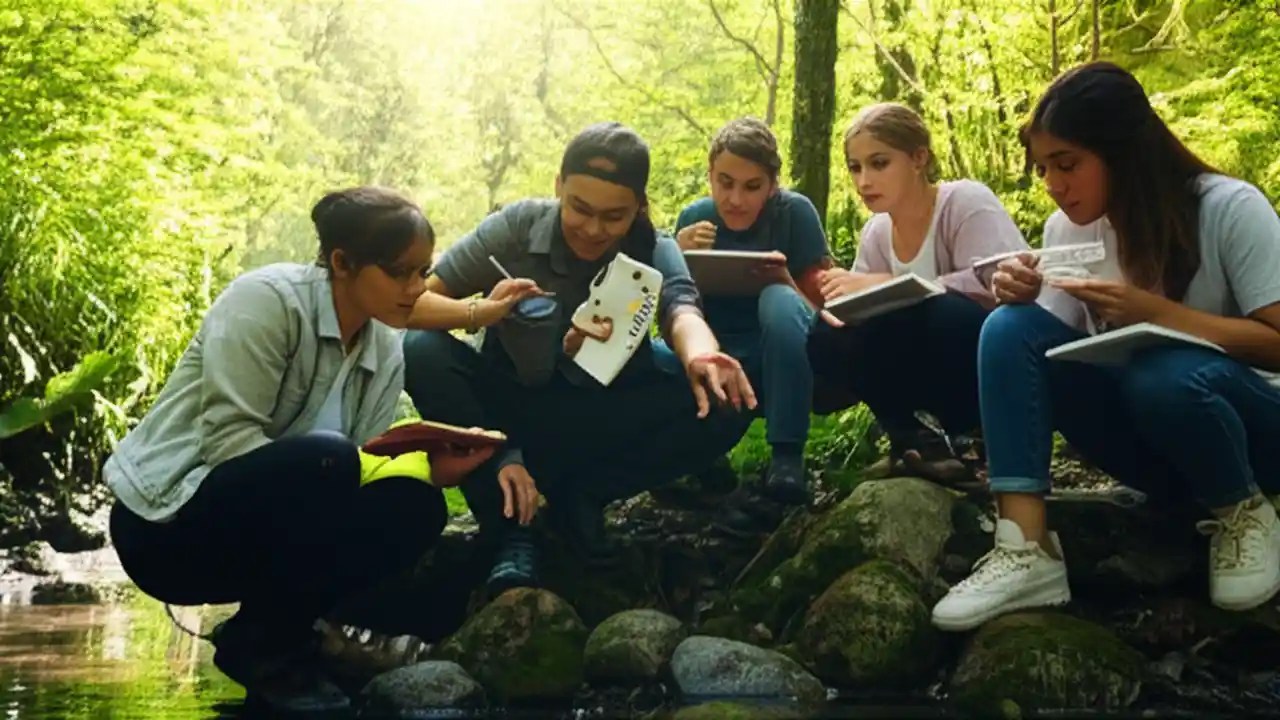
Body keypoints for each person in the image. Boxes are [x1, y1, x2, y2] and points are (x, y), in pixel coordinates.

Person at [104, 187, 527, 712]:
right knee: (327, 458)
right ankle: (279, 642)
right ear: (341, 262)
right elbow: (233, 445)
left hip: (264, 536)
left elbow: (362, 469)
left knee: (416, 506)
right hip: (166, 531)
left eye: (423, 272)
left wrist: (431, 467)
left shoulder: (384, 345)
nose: (417, 289)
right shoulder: (265, 302)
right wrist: (342, 467)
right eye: (401, 273)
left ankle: (267, 645)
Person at [932, 62, 1280, 632]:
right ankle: (1024, 547)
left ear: (1125, 152)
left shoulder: (1228, 209)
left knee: (1161, 373)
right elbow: (1042, 361)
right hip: (1150, 448)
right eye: (1043, 168)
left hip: (1256, 432)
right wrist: (1019, 297)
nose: (1053, 184)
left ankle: (1245, 513)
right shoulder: (1064, 231)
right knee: (1008, 327)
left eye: (1068, 165)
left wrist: (1161, 316)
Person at [401, 122, 757, 594]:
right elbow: (412, 304)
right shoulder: (515, 229)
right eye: (580, 209)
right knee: (421, 351)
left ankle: (584, 495)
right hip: (507, 407)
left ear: (639, 207)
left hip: (595, 408)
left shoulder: (653, 247)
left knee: (725, 399)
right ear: (558, 188)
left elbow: (681, 308)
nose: (593, 229)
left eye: (613, 216)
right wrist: (483, 311)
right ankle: (510, 526)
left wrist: (703, 355)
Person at [807, 102, 1028, 486]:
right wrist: (840, 310)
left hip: (983, 359)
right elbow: (868, 317)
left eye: (879, 164)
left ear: (918, 158)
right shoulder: (876, 232)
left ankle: (975, 437)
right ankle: (913, 439)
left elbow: (1000, 286)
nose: (864, 182)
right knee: (826, 333)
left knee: (943, 315)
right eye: (855, 168)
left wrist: (884, 286)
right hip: (917, 366)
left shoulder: (965, 202)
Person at [667, 117, 833, 511]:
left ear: (773, 185)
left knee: (776, 299)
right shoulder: (695, 219)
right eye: (725, 183)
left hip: (788, 346)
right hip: (718, 351)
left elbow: (824, 308)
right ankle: (703, 460)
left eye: (752, 186)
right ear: (710, 176)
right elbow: (674, 307)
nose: (736, 199)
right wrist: (676, 254)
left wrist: (783, 282)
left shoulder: (795, 214)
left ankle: (787, 456)